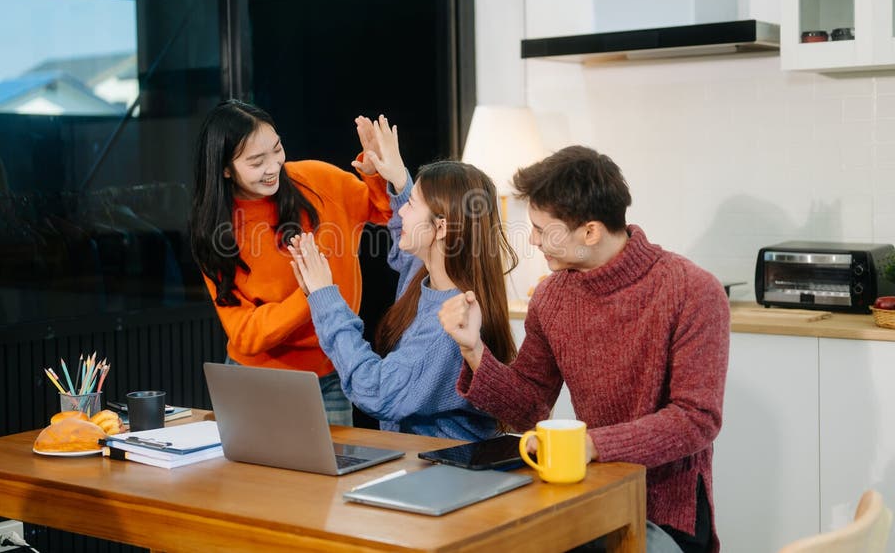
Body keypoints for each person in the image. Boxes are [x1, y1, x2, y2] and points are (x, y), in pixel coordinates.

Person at [438, 145, 730, 553]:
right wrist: (474, 351)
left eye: (542, 229)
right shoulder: (551, 297)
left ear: (590, 232)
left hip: (667, 510)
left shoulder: (692, 290)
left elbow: (696, 419)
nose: (533, 240)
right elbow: (529, 407)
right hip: (588, 497)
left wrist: (592, 445)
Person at [288, 118, 517, 440]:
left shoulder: (451, 325)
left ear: (441, 228)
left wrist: (325, 296)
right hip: (413, 461)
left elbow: (378, 391)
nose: (400, 213)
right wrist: (398, 180)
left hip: (446, 467)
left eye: (410, 205)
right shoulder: (430, 276)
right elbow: (408, 246)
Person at [189, 99, 394, 426]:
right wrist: (313, 294)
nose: (273, 166)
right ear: (226, 168)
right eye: (256, 161)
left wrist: (377, 174)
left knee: (332, 461)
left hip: (330, 373)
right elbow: (244, 333)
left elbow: (386, 212)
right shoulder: (217, 230)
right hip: (255, 381)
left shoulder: (317, 180)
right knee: (251, 462)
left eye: (277, 149)